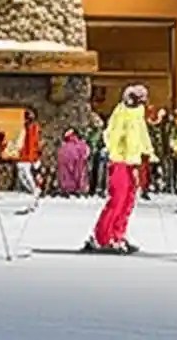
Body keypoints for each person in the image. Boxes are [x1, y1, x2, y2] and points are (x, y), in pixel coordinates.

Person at [86, 85, 154, 254]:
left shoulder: (138, 114)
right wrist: (117, 152)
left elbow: (142, 135)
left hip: (133, 162)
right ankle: (102, 237)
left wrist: (148, 152)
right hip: (120, 161)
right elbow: (112, 135)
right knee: (118, 198)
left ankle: (117, 235)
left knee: (128, 200)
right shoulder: (121, 113)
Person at [16, 108, 41, 207]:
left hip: (29, 156)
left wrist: (36, 155)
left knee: (27, 174)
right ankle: (33, 191)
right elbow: (22, 141)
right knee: (23, 174)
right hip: (25, 155)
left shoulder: (34, 129)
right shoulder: (25, 128)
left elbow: (35, 143)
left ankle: (34, 191)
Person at [56, 129, 89, 197]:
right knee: (78, 173)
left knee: (66, 173)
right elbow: (85, 153)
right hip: (77, 160)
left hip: (67, 162)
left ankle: (68, 188)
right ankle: (77, 188)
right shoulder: (80, 144)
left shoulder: (64, 146)